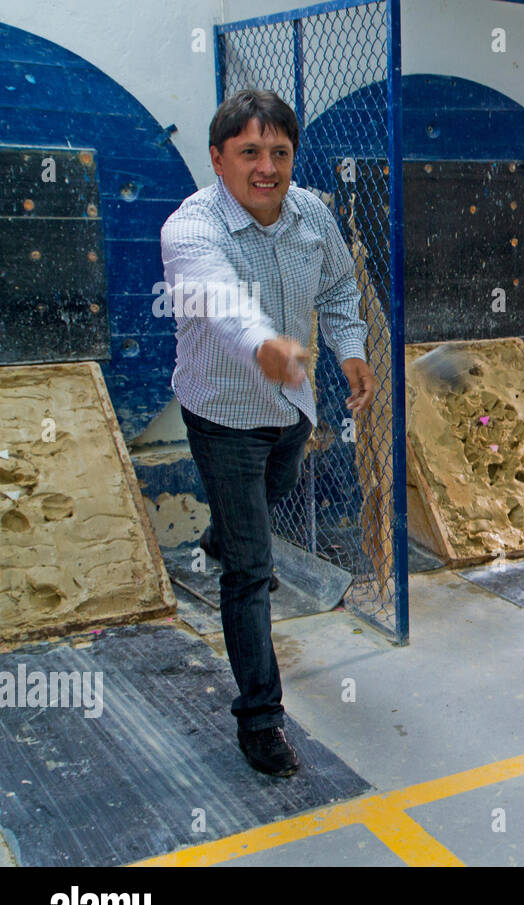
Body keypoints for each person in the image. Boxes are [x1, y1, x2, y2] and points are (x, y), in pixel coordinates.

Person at [162, 89, 377, 777]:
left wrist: (350, 352)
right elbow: (218, 298)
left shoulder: (311, 212)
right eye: (250, 152)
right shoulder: (190, 229)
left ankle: (226, 531)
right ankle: (260, 720)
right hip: (222, 412)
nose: (266, 167)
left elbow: (340, 291)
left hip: (292, 412)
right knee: (253, 571)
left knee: (269, 495)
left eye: (279, 152)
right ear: (218, 158)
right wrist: (263, 345)